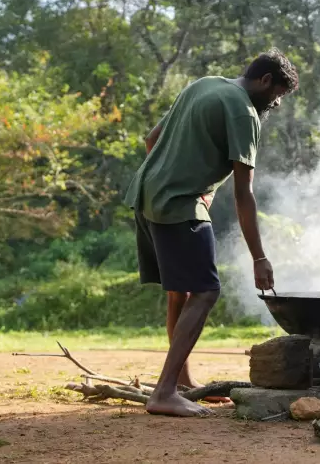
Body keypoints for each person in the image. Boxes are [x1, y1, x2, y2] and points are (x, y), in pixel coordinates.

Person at [123, 48, 298, 417]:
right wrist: (260, 258)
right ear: (265, 80)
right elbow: (244, 194)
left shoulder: (204, 84)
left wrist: (173, 171)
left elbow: (151, 139)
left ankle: (182, 382)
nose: (278, 103)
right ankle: (165, 391)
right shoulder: (244, 112)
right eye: (279, 93)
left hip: (145, 195)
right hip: (179, 205)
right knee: (205, 291)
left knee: (180, 292)